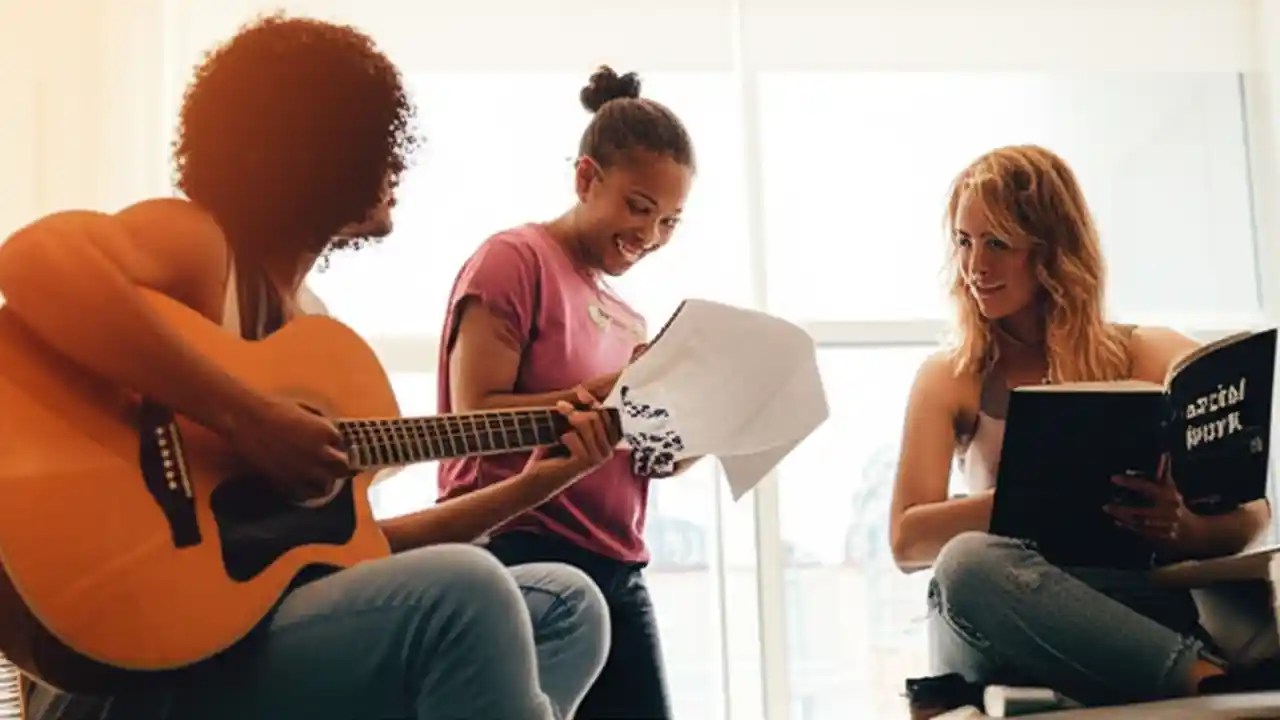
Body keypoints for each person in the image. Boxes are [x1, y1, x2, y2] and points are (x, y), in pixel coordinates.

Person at [0, 14, 614, 720]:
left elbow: (357, 553)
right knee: (470, 590)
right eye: (375, 139)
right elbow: (35, 261)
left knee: (568, 606)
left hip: (252, 637)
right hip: (136, 667)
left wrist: (542, 482)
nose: (396, 165)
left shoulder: (316, 338)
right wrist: (244, 417)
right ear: (319, 148)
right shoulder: (202, 249)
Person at [888, 143, 1280, 709]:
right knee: (966, 565)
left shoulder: (1148, 353)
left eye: (997, 243)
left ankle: (1188, 674)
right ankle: (1205, 679)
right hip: (998, 607)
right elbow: (906, 541)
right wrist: (1028, 498)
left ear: (1050, 250)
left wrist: (1183, 527)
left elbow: (1252, 512)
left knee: (1119, 591)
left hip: (1114, 601)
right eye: (964, 241)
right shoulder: (951, 376)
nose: (976, 266)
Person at [436, 65, 697, 719]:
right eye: (640, 208)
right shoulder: (514, 261)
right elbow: (473, 414)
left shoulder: (630, 317)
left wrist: (686, 438)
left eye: (670, 221)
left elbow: (623, 448)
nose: (650, 235)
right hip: (520, 547)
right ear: (586, 179)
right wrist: (600, 395)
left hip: (618, 565)